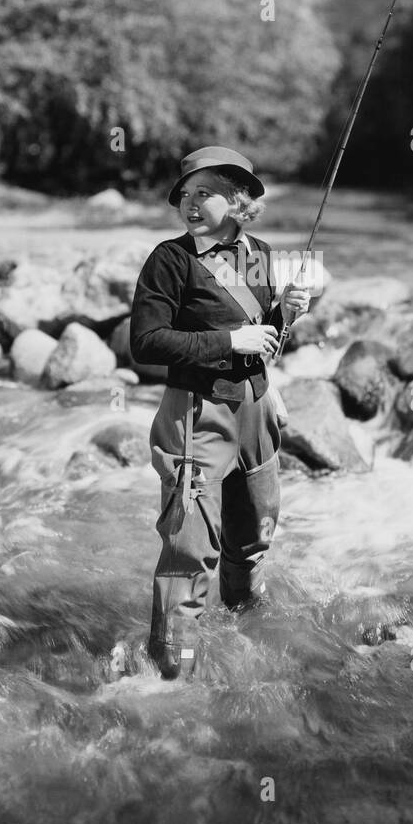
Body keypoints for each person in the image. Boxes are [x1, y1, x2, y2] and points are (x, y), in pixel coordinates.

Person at [130, 146, 311, 680]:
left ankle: (244, 644)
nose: (190, 203)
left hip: (255, 409)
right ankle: (171, 678)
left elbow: (265, 339)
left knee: (252, 534)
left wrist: (286, 315)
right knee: (189, 554)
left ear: (238, 199)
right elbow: (146, 343)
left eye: (203, 192)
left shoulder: (261, 253)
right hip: (196, 416)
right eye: (185, 194)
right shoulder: (169, 260)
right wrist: (229, 340)